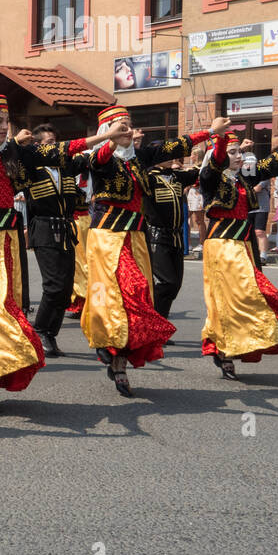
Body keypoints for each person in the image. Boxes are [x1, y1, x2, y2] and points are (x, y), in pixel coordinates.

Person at [0, 95, 120, 407]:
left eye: (6, 120)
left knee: (8, 304)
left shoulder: (16, 153)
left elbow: (61, 151)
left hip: (8, 239)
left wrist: (104, 137)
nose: (4, 126)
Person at [83, 106, 224, 396]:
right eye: (120, 126)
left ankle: (119, 363)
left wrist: (210, 132)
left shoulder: (140, 158)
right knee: (120, 294)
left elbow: (177, 145)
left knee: (137, 299)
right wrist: (110, 138)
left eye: (129, 125)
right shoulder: (100, 160)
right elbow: (100, 155)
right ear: (107, 130)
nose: (128, 131)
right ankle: (105, 342)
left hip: (136, 237)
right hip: (107, 237)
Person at [198, 131, 278, 379]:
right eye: (232, 153)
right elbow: (215, 161)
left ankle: (227, 349)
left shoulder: (244, 176)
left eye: (239, 152)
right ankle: (223, 348)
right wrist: (220, 136)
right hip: (222, 245)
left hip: (244, 245)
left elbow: (274, 161)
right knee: (235, 299)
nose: (238, 157)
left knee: (250, 298)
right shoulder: (210, 178)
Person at [24, 123, 92, 357]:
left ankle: (50, 332)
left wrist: (110, 135)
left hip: (66, 228)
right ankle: (40, 329)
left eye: (55, 142)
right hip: (43, 227)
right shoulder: (32, 167)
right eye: (48, 144)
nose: (54, 148)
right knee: (53, 285)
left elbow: (92, 155)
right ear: (38, 147)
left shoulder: (66, 167)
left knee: (65, 288)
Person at [144, 159, 199, 319]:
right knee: (167, 283)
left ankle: (158, 324)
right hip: (156, 236)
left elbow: (203, 169)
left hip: (176, 237)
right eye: (167, 154)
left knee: (175, 285)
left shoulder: (177, 177)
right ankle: (154, 324)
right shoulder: (148, 178)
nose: (172, 158)